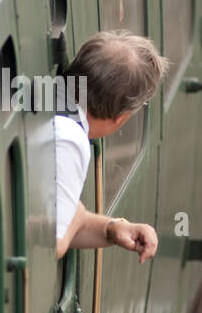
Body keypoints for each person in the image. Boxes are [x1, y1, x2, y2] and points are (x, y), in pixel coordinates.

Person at [54, 31, 168, 262]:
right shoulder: (69, 137)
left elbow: (67, 218)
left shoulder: (47, 98)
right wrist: (76, 217)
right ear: (122, 117)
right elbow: (51, 246)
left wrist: (112, 229)